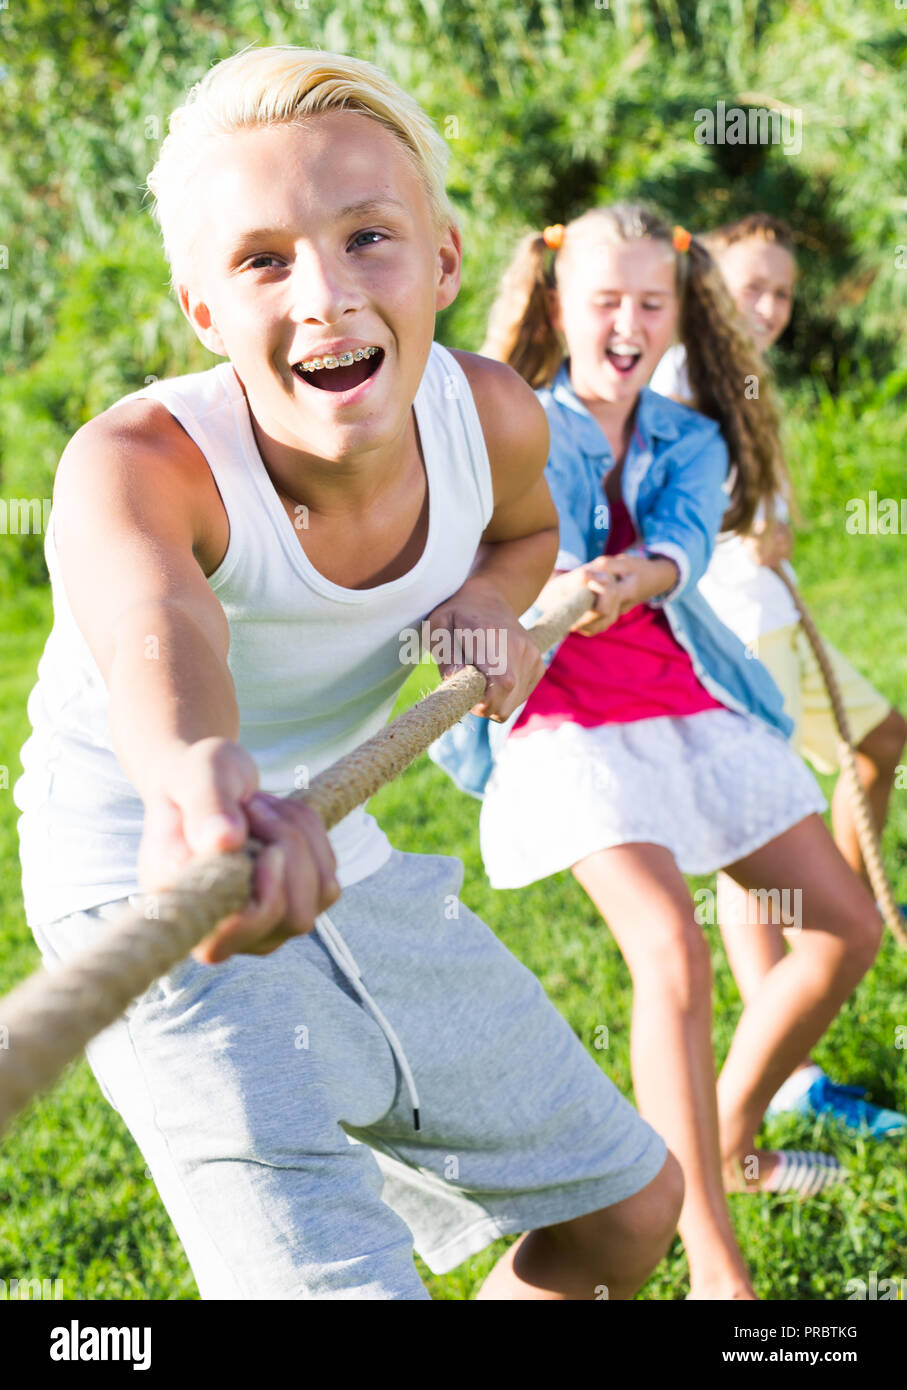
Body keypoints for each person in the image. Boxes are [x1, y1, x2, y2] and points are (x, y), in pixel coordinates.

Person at [11, 50, 683, 1301]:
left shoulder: (491, 417)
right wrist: (201, 789)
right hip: (154, 869)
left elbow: (522, 531)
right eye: (262, 259)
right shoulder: (140, 464)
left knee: (627, 1205)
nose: (322, 294)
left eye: (366, 236)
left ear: (442, 260)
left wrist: (487, 599)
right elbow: (163, 629)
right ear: (203, 311)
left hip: (340, 831)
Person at [431, 204, 884, 1301]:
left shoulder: (689, 433)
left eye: (650, 302)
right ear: (556, 303)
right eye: (604, 301)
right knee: (671, 953)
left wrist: (634, 576)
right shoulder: (514, 423)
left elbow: (679, 543)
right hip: (569, 724)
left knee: (844, 925)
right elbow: (481, 559)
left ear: (677, 310)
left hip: (683, 701)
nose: (627, 323)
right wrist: (549, 589)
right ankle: (717, 1271)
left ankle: (721, 1130)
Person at [650, 212, 907, 1137]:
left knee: (878, 742)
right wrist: (733, 527)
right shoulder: (680, 371)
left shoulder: (732, 370)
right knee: (754, 831)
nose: (769, 306)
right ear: (704, 283)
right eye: (750, 285)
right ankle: (787, 1067)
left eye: (783, 293)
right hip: (732, 632)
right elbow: (658, 500)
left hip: (771, 616)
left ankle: (853, 889)